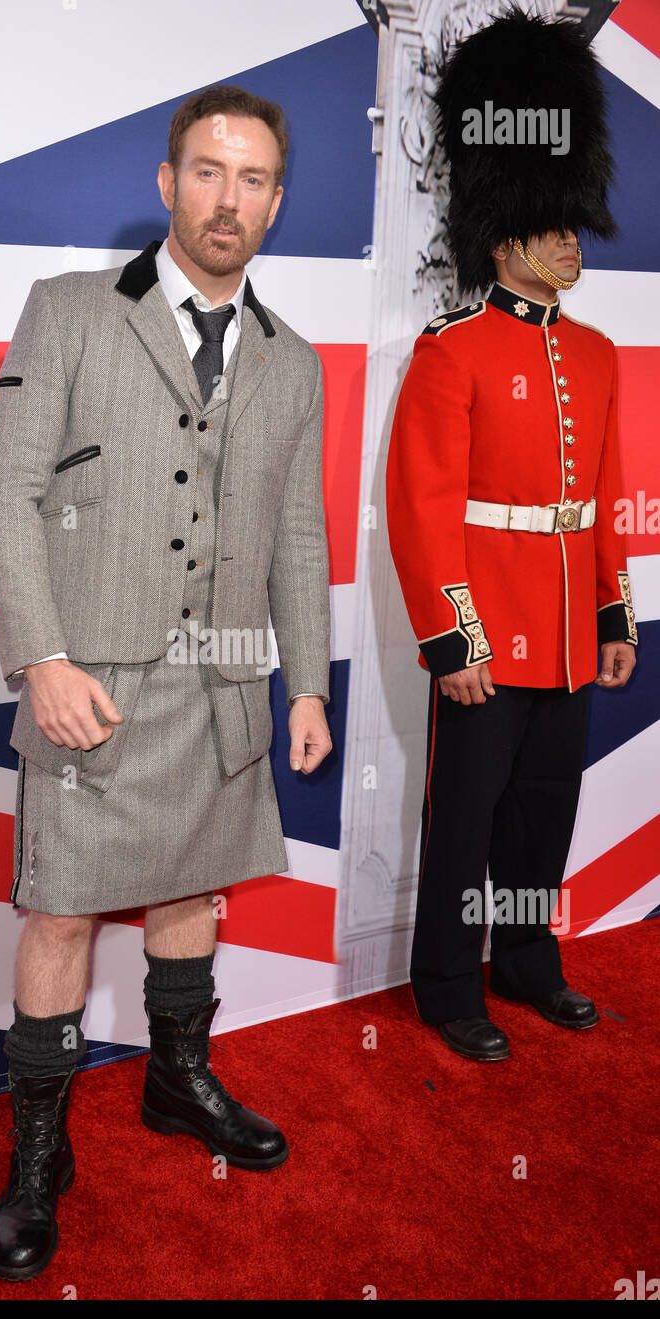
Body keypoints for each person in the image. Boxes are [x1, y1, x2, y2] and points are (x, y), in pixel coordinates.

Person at [0, 83, 332, 1280]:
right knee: (60, 912)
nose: (228, 199)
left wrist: (304, 686)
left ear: (276, 201)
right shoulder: (68, 311)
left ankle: (178, 1083)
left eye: (253, 179)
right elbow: (6, 495)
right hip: (93, 682)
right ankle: (38, 1155)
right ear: (166, 182)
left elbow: (295, 534)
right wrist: (41, 659)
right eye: (208, 171)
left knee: (194, 889)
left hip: (226, 677)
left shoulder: (295, 361)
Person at [385, 8, 638, 1062]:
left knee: (541, 815)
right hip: (488, 635)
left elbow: (601, 492)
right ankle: (448, 985)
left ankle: (528, 961)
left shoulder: (597, 352)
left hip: (570, 639)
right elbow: (421, 507)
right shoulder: (451, 352)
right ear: (503, 236)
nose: (570, 243)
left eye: (573, 227)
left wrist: (610, 613)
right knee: (464, 822)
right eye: (551, 229)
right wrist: (453, 640)